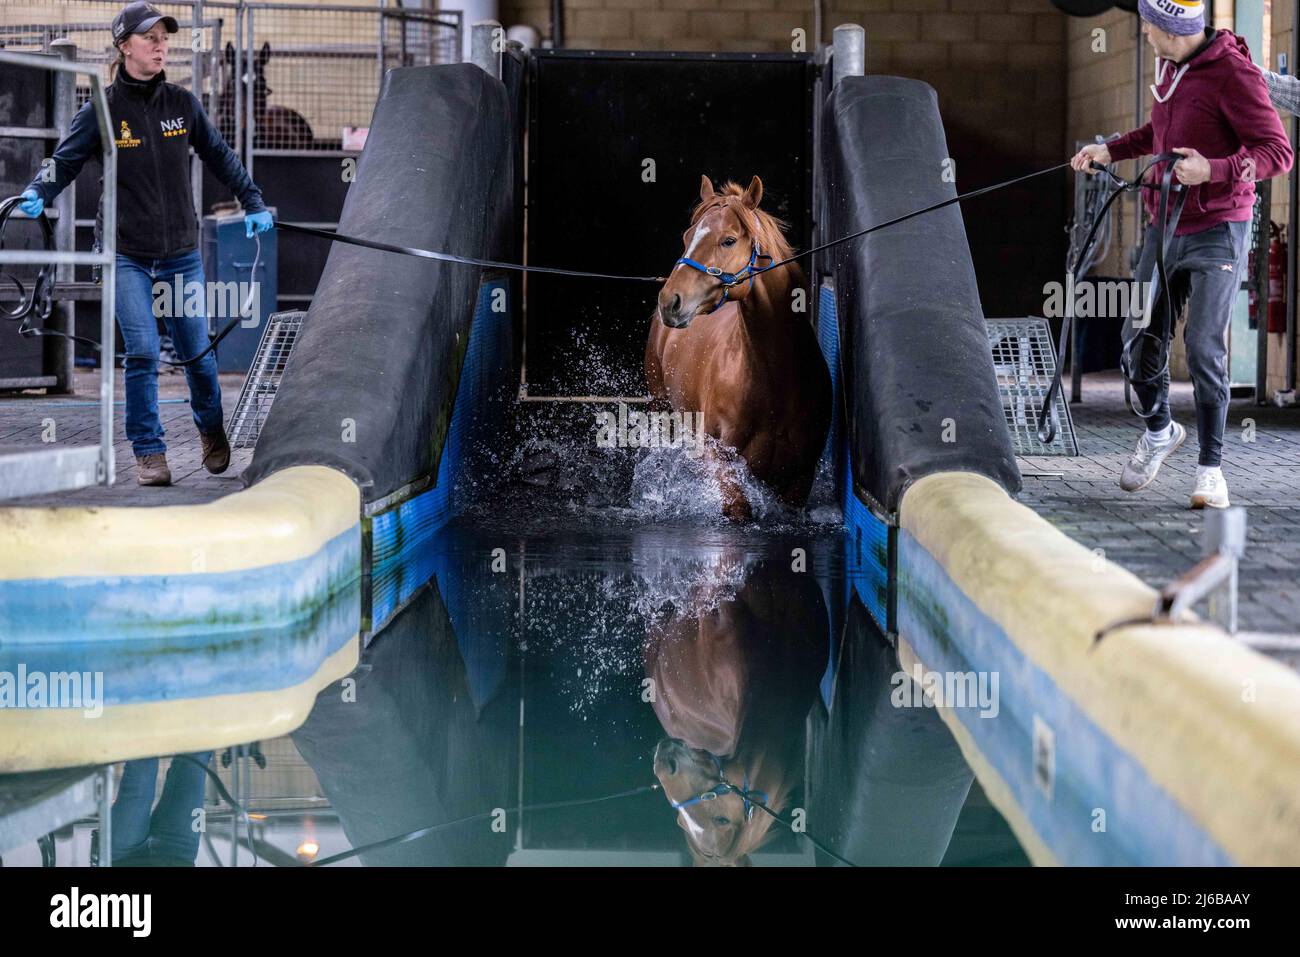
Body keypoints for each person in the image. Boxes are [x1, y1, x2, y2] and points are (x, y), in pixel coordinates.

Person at [17, 1, 273, 487]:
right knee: (142, 350)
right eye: (150, 37)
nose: (161, 46)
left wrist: (253, 201)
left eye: (164, 38)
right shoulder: (101, 110)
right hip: (125, 255)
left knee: (197, 353)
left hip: (180, 254)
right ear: (124, 46)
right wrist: (37, 191)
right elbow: (63, 161)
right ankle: (149, 452)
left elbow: (219, 155)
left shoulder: (182, 104)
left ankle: (211, 429)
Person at [1071, 0, 1292, 509]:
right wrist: (1113, 150)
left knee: (1202, 347)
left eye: (1150, 24)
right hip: (1165, 223)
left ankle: (1211, 470)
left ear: (1173, 30)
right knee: (1135, 340)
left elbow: (1277, 151)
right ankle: (1159, 430)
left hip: (1218, 227)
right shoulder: (1170, 68)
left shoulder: (1233, 74)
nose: (1144, 31)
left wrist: (1213, 170)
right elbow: (1160, 136)